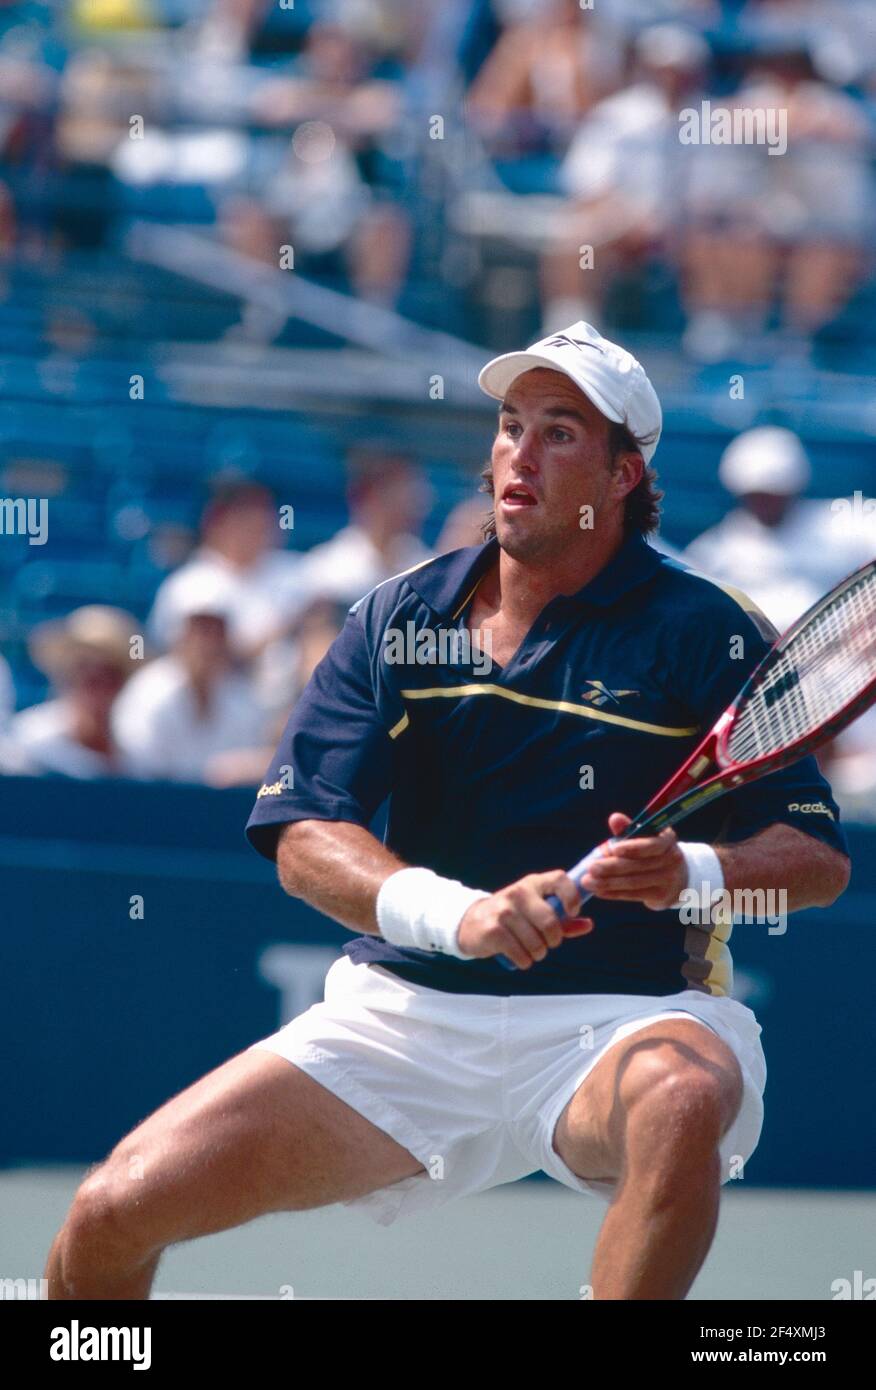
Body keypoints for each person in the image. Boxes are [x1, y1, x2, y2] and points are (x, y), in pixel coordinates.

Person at [45, 321, 850, 1302]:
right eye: (511, 425)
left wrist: (697, 871)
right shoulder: (395, 618)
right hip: (406, 1017)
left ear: (623, 474)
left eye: (560, 432)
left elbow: (815, 857)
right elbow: (304, 835)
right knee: (111, 1210)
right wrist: (458, 917)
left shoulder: (705, 628)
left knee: (680, 1102)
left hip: (624, 1019)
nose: (519, 450)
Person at [683, 426, 875, 631]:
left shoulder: (848, 523)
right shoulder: (712, 551)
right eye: (755, 495)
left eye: (774, 494)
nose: (764, 504)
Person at [114, 571, 266, 783]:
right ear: (178, 634)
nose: (209, 643)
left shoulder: (243, 700)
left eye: (218, 630)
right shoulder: (147, 695)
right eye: (200, 629)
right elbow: (143, 778)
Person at [148, 480, 310, 661]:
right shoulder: (186, 586)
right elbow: (212, 660)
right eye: (246, 514)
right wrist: (287, 624)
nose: (260, 523)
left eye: (264, 512)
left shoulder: (296, 570)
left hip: (297, 687)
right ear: (217, 520)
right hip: (227, 688)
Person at [1, 606, 140, 779]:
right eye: (84, 672)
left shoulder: (139, 749)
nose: (97, 687)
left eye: (109, 674)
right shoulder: (29, 742)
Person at [301, 446, 432, 607]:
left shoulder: (427, 566)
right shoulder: (324, 572)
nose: (418, 499)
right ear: (367, 495)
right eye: (402, 487)